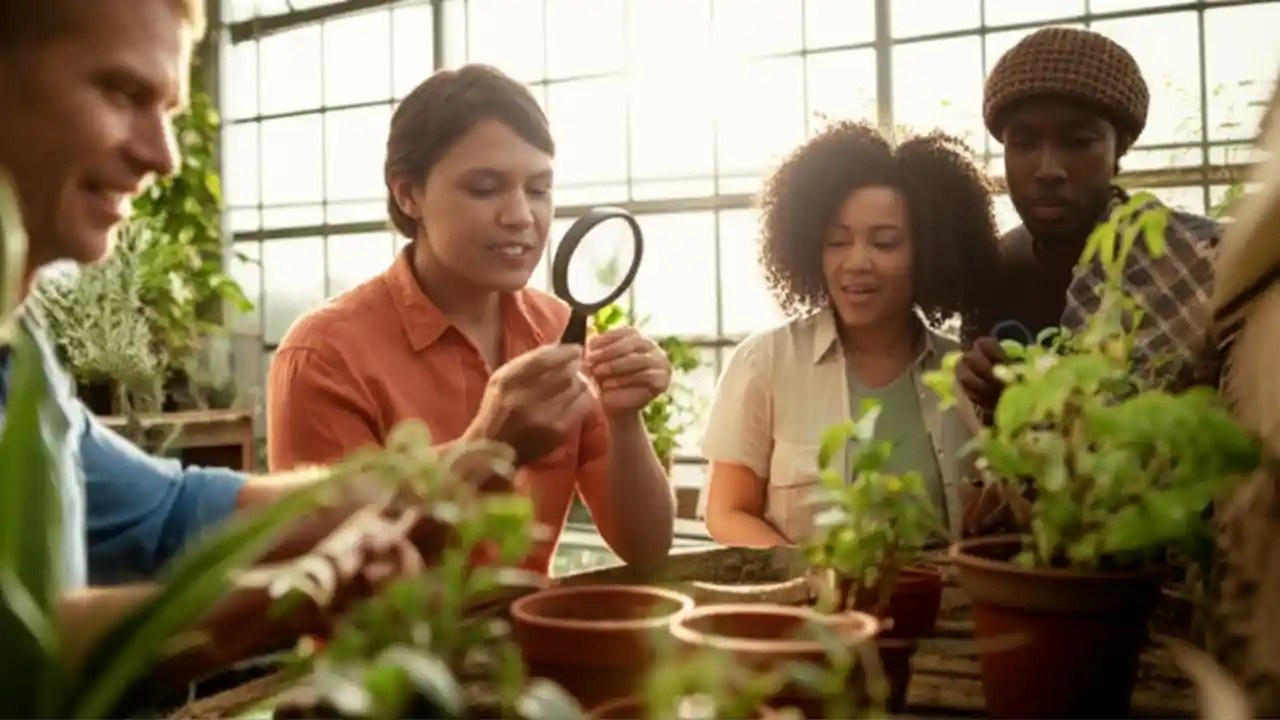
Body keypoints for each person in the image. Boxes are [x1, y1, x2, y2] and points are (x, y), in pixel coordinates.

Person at [0, 0, 458, 693]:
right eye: (123, 93)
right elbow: (23, 651)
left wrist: (441, 474)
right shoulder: (330, 345)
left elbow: (171, 514)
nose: (163, 155)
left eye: (171, 113)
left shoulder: (22, 347)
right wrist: (298, 592)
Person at [266, 64, 676, 575]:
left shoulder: (559, 330)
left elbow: (647, 548)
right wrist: (488, 446)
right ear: (407, 194)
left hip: (524, 643)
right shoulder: (324, 354)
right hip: (388, 653)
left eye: (539, 189)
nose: (521, 216)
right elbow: (331, 568)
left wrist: (624, 417)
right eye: (485, 189)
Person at [700, 121, 1002, 547]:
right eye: (837, 242)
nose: (857, 262)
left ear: (930, 249)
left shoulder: (963, 374)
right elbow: (726, 512)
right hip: (808, 609)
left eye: (884, 243)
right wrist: (806, 577)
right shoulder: (765, 362)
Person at [958, 26, 1221, 422]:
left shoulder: (1197, 263)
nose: (1048, 170)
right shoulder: (994, 270)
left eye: (1079, 142)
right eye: (1024, 144)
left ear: (1121, 148)